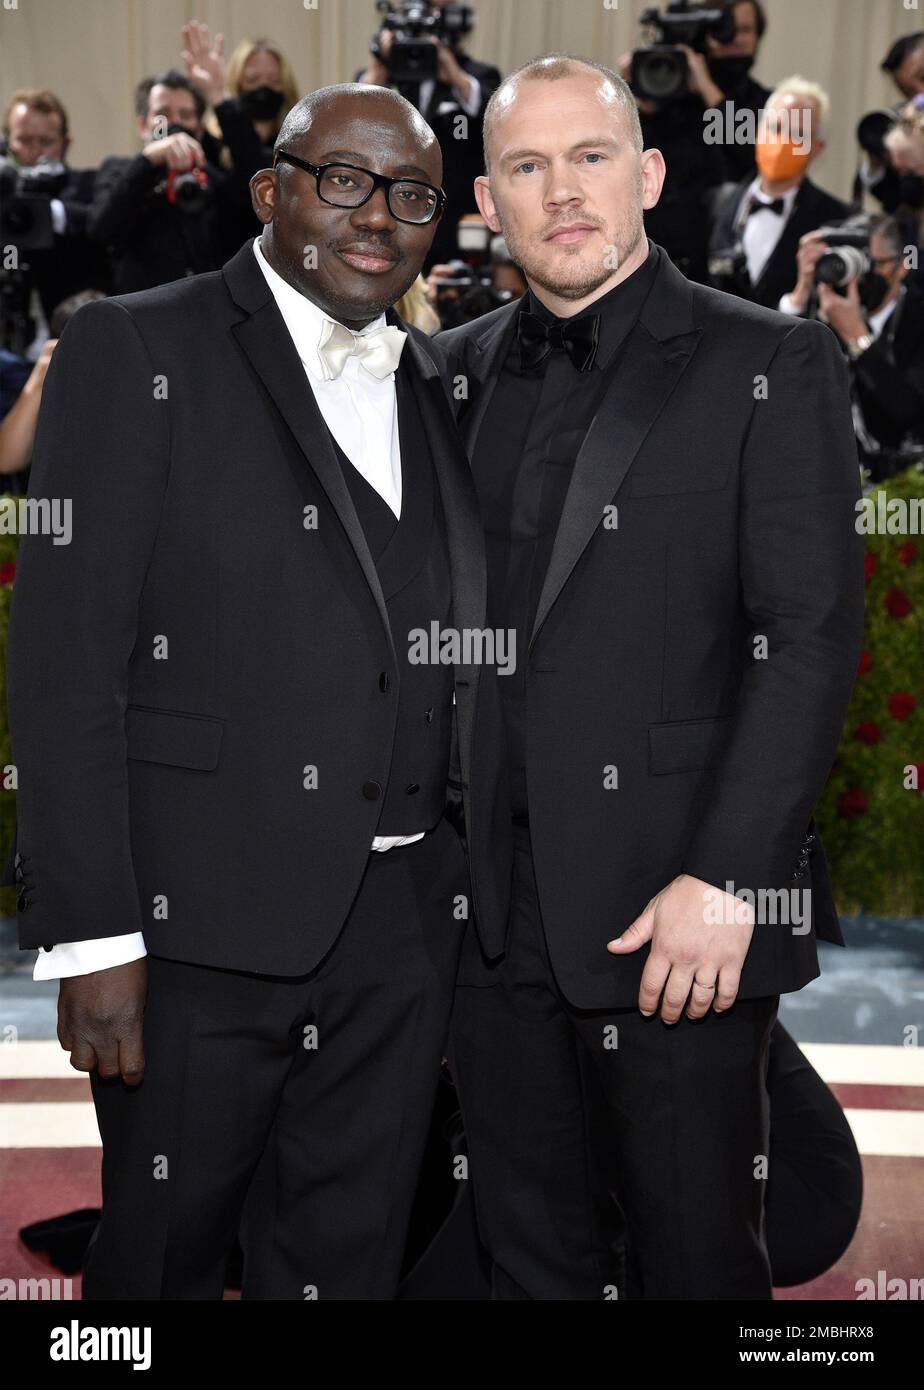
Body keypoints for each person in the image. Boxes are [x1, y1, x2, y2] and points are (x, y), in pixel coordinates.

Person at [7, 81, 508, 1300]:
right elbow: (66, 662)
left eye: (410, 195)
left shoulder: (443, 381)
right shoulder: (136, 344)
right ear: (271, 189)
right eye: (343, 181)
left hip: (398, 935)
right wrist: (97, 937)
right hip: (190, 937)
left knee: (344, 1261)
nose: (376, 216)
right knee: (157, 1267)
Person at [437, 53, 864, 1300]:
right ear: (487, 201)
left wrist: (730, 879)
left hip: (678, 919)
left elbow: (808, 637)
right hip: (487, 923)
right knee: (532, 1262)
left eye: (591, 157)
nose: (562, 191)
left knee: (694, 1265)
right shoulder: (443, 374)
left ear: (652, 174)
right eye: (527, 165)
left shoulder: (769, 365)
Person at [357, 0, 501, 268]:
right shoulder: (380, 80)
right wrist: (378, 70)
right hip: (390, 213)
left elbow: (492, 120)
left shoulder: (478, 76)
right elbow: (351, 122)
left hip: (455, 223)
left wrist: (453, 73)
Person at [709, 76, 853, 310]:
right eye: (775, 127)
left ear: (817, 148)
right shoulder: (717, 202)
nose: (782, 141)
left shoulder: (834, 221)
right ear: (756, 130)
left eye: (798, 134)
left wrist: (797, 300)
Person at [88, 69, 228, 294]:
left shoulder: (213, 177)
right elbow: (101, 229)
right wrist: (148, 161)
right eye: (163, 115)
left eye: (186, 115)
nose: (175, 123)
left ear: (200, 129)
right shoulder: (119, 169)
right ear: (142, 126)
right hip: (141, 314)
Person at [0, 89, 111, 355]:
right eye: (24, 140)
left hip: (72, 342)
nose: (35, 152)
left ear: (65, 143)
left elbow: (99, 224)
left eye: (46, 141)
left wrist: (50, 213)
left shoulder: (86, 186)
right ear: (6, 142)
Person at [182, 21, 301, 257]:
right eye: (254, 81)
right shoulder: (210, 143)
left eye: (273, 82)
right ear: (237, 84)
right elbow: (245, 181)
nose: (264, 89)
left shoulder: (298, 144)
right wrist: (218, 98)